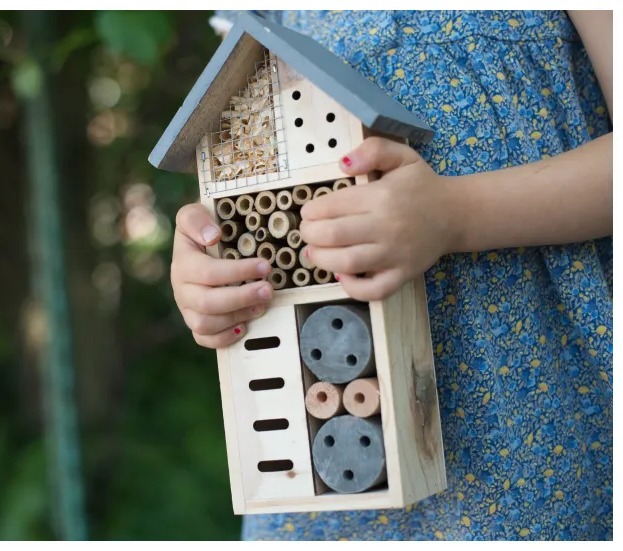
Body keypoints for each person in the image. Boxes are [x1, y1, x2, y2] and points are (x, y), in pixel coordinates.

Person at [170, 10, 612, 540]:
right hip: (321, 473)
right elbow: (234, 154)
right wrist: (208, 268)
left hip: (526, 428)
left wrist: (455, 214)